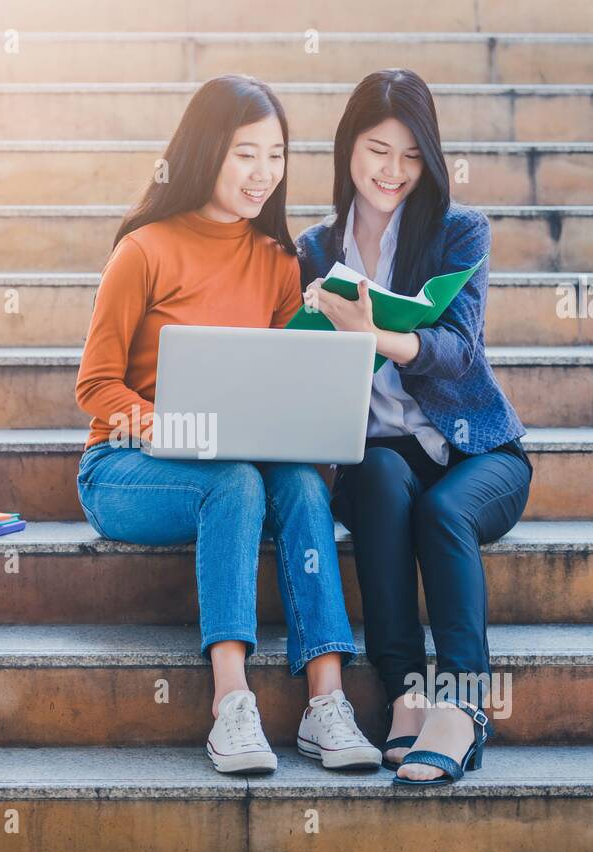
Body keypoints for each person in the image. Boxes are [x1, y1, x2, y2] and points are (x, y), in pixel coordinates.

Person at [74, 74, 382, 775]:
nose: (263, 174)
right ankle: (232, 704)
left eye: (275, 156)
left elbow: (277, 389)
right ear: (208, 150)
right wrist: (178, 431)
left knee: (300, 481)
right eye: (247, 154)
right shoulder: (144, 250)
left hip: (235, 459)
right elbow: (95, 386)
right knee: (236, 483)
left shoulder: (277, 262)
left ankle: (325, 704)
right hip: (127, 466)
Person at [297, 69, 534, 785]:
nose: (393, 172)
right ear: (348, 149)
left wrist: (378, 335)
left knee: (441, 509)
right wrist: (318, 326)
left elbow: (460, 348)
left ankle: (463, 707)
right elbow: (303, 377)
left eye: (410, 156)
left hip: (479, 454)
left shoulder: (459, 231)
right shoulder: (316, 247)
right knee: (374, 473)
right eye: (377, 151)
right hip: (382, 457)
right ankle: (405, 694)